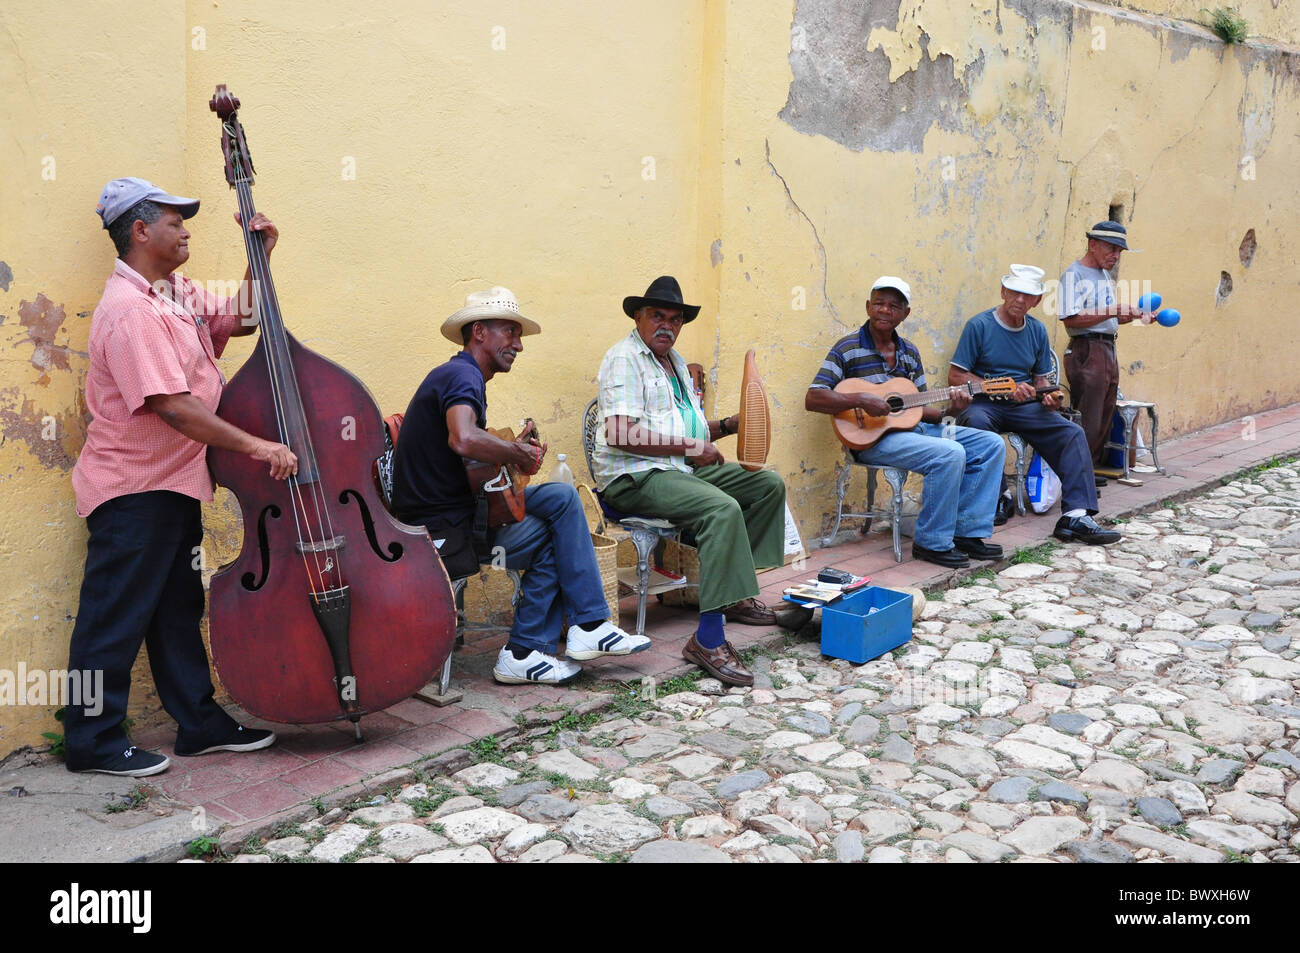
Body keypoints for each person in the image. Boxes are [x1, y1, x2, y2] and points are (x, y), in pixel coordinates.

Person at [67, 177, 297, 777]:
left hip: (173, 483)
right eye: (175, 220)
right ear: (140, 231)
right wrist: (256, 446)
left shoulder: (175, 294)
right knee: (115, 615)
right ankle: (90, 741)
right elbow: (173, 405)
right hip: (133, 488)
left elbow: (242, 320)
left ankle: (198, 723)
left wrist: (259, 256)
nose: (186, 228)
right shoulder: (130, 311)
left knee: (175, 608)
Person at [390, 287, 649, 686]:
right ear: (478, 331)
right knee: (553, 531)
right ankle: (533, 647)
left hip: (460, 517)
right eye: (510, 332)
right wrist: (513, 452)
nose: (519, 345)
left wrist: (510, 457)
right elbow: (462, 438)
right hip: (441, 534)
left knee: (561, 500)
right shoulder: (463, 375)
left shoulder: (459, 374)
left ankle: (570, 634)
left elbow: (467, 458)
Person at [593, 276, 787, 687]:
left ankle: (730, 593)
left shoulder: (675, 363)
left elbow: (689, 432)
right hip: (633, 477)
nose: (667, 325)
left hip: (678, 468)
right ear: (638, 316)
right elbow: (619, 433)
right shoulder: (625, 357)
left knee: (767, 485)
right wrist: (687, 447)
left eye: (676, 319)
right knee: (721, 508)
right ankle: (708, 640)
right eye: (658, 316)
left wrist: (731, 425)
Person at [805, 277, 1006, 568]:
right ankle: (931, 543)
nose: (885, 310)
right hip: (873, 439)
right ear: (867, 307)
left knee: (990, 444)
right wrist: (861, 399)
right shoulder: (847, 349)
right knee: (950, 453)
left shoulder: (909, 352)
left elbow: (920, 408)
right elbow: (814, 398)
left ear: (905, 313)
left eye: (893, 306)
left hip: (917, 429)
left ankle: (967, 533)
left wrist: (953, 407)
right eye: (879, 304)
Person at [949, 264, 1121, 545]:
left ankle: (1075, 516)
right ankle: (999, 498)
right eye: (1015, 293)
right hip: (984, 403)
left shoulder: (1037, 331)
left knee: (1071, 433)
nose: (1020, 300)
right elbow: (956, 376)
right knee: (975, 423)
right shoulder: (979, 326)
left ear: (1037, 300)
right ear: (1004, 291)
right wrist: (1004, 388)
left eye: (1027, 296)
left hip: (1024, 407)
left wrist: (1049, 397)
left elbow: (1041, 380)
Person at [1059, 221, 1150, 472]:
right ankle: (1079, 473)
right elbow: (1070, 317)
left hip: (1107, 347)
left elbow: (1103, 317)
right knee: (1089, 415)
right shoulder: (1073, 274)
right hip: (1087, 350)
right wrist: (1113, 310)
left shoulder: (1103, 274)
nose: (1116, 256)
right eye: (1112, 249)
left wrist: (1129, 315)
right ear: (1092, 245)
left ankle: (1091, 469)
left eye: (1120, 251)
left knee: (1105, 413)